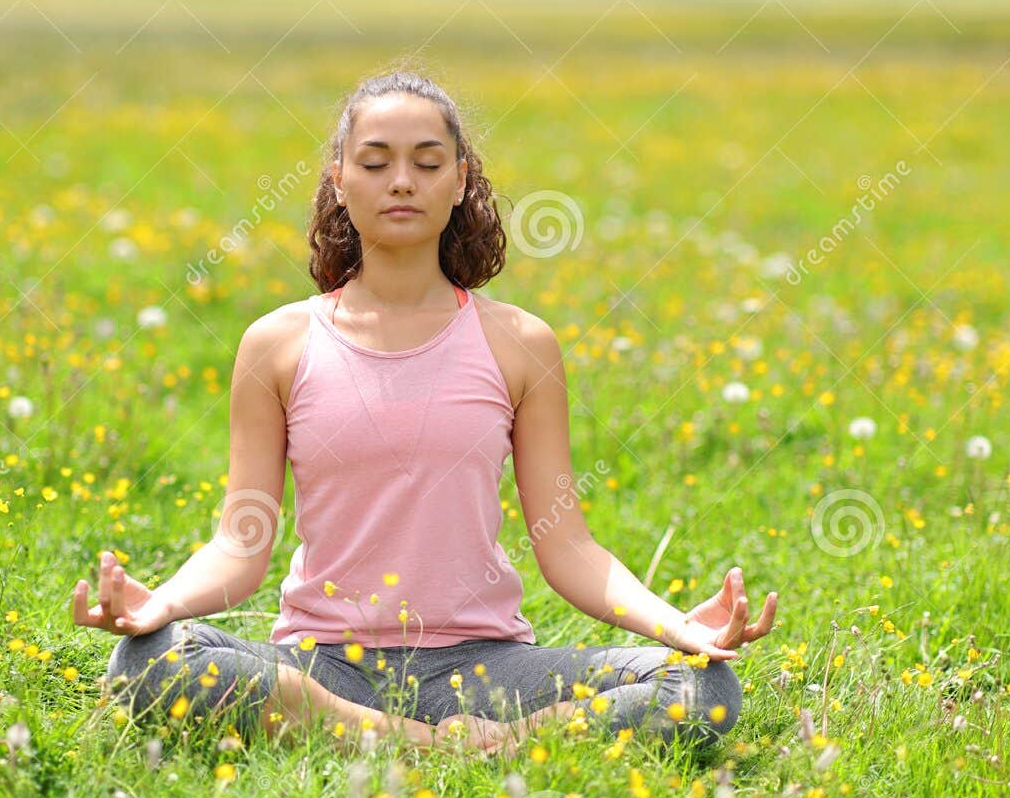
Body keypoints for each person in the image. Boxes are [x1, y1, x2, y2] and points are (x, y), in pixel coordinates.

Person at [72, 70, 777, 755]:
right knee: (145, 663)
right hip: (326, 664)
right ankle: (399, 739)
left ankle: (504, 738)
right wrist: (157, 606)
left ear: (461, 179)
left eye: (427, 161)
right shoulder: (278, 344)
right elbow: (240, 544)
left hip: (485, 669)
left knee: (705, 689)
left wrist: (678, 624)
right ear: (339, 180)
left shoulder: (521, 343)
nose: (402, 181)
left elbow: (569, 548)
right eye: (375, 163)